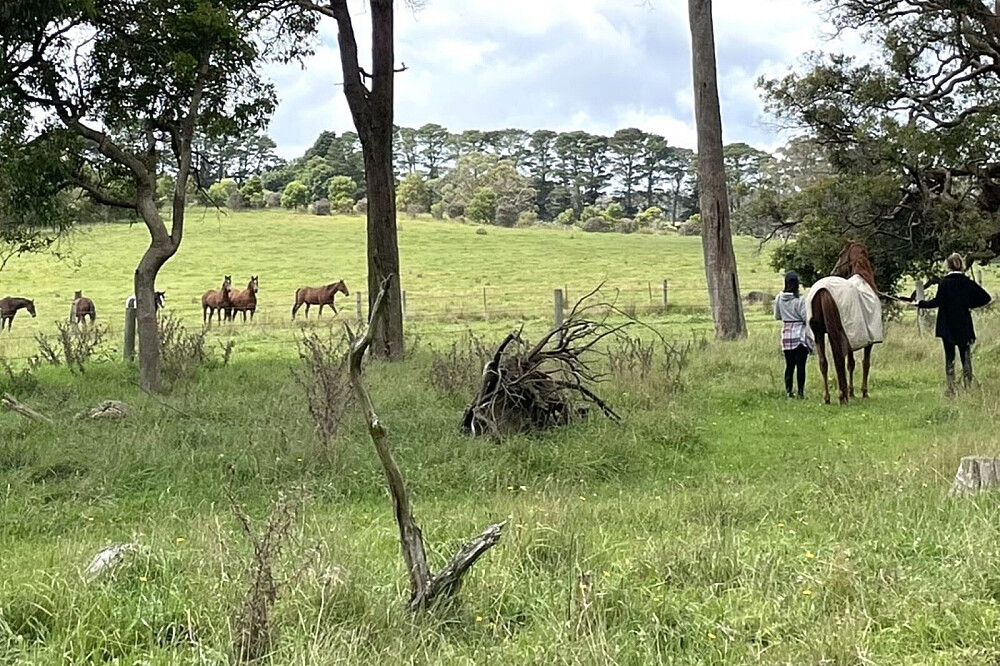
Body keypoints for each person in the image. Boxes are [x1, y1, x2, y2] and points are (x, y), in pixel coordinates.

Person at [916, 253, 992, 394]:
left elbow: (937, 302)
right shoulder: (967, 283)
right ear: (961, 265)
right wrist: (969, 304)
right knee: (965, 356)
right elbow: (986, 297)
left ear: (948, 265)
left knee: (949, 356)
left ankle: (951, 387)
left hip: (947, 326)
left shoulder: (945, 283)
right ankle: (968, 386)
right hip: (964, 324)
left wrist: (921, 304)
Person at [774, 271, 812, 398]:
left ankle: (789, 391)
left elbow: (777, 316)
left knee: (789, 365)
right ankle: (801, 392)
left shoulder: (779, 298)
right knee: (801, 365)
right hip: (800, 333)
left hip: (787, 332)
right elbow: (805, 317)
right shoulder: (800, 299)